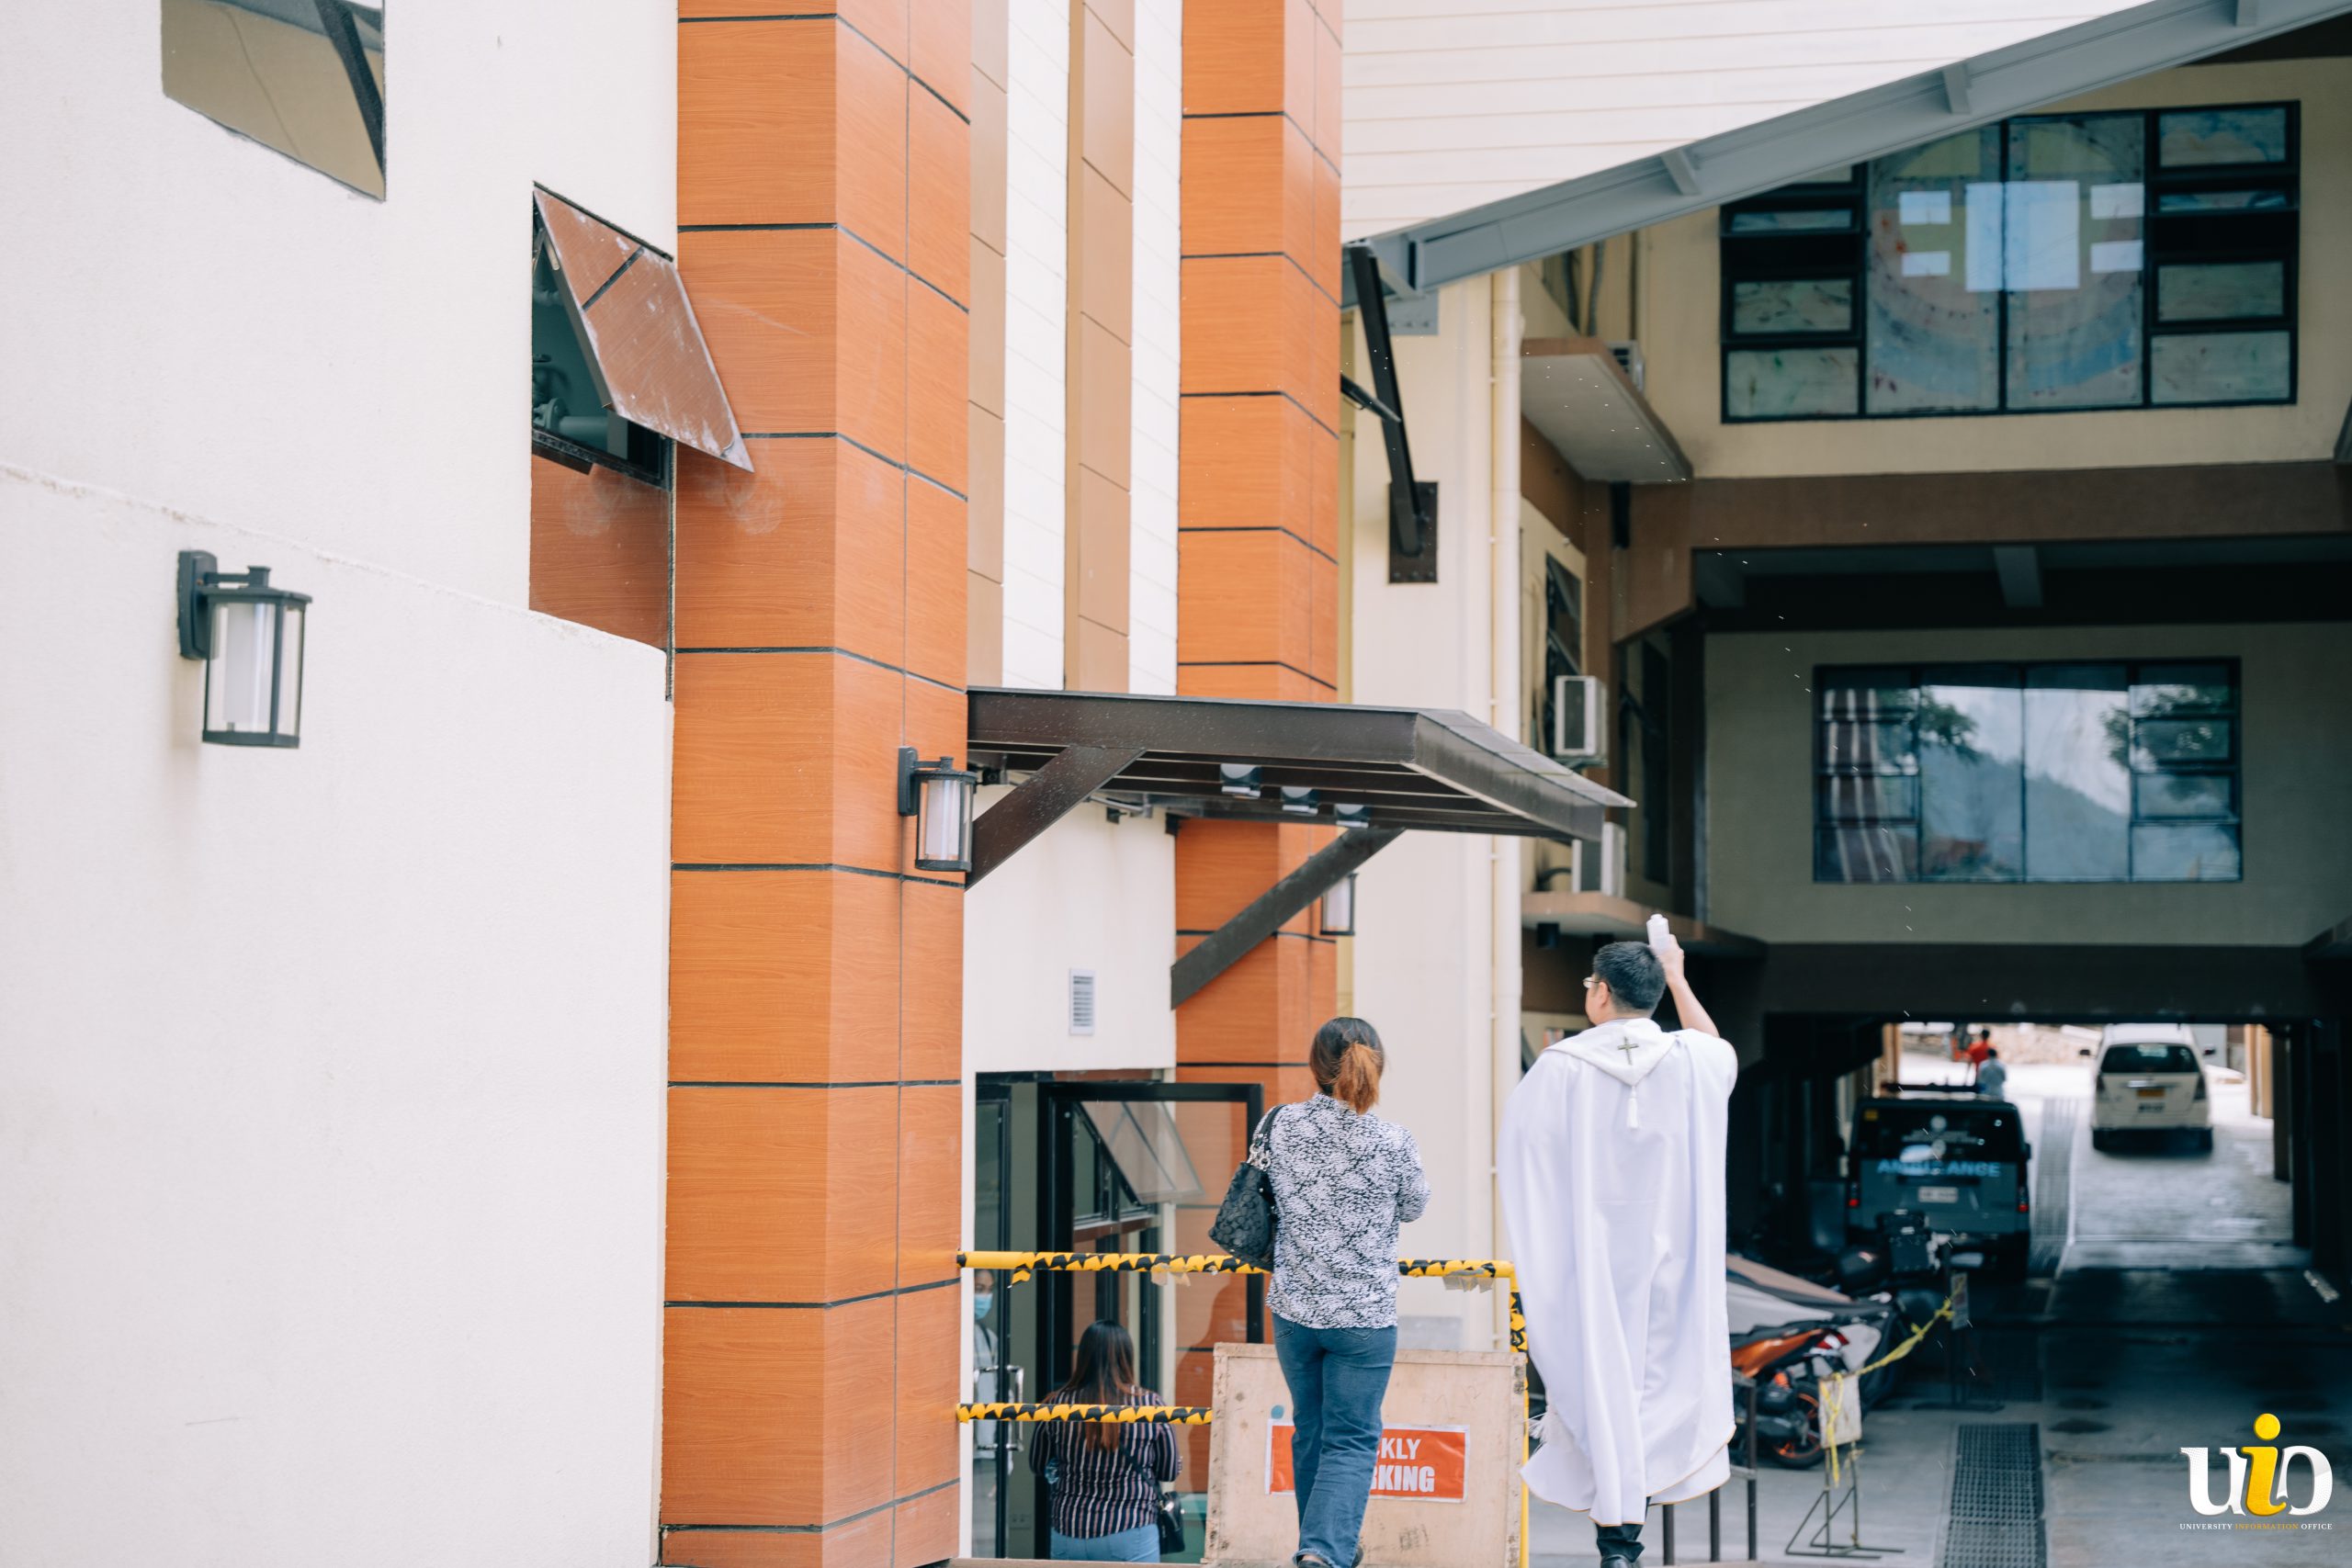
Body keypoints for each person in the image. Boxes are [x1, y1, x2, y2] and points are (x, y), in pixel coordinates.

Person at [1498, 937, 1738, 1567]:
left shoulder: (1560, 1067)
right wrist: (1678, 977)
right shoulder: (1690, 1059)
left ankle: (1617, 1537)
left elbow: (1526, 1161)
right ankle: (1630, 1527)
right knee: (1661, 1381)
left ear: (1601, 991)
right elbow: (1716, 1048)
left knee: (1599, 1382)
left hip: (1592, 1261)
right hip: (1672, 1259)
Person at [1261, 1018, 1430, 1568]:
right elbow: (1413, 1206)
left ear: (1316, 1065)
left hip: (1295, 1308)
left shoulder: (1279, 1124)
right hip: (1363, 1317)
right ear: (1375, 1064)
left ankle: (1321, 1546)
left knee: (1310, 1429)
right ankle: (1323, 1551)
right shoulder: (1393, 1139)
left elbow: (1263, 1191)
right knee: (1352, 1439)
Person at [1024, 1320, 1180, 1562]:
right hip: (1131, 1529)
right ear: (1127, 1357)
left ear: (1083, 1356)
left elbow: (1037, 1464)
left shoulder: (1056, 1404)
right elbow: (1168, 1472)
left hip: (1069, 1529)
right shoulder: (1150, 1404)